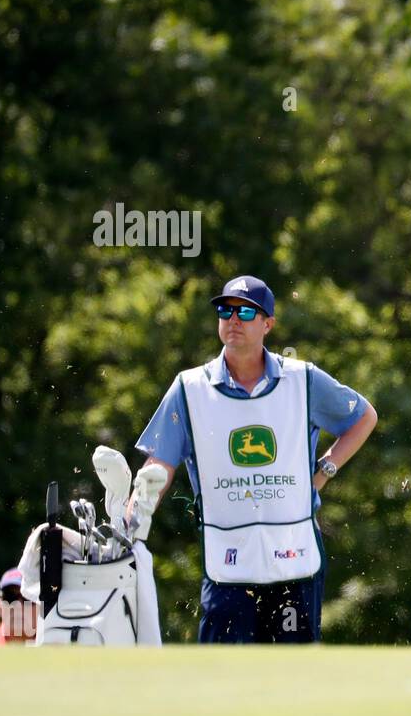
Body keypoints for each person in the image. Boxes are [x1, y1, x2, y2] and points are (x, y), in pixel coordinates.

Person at [133, 275, 378, 643]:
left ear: (268, 324)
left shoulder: (302, 379)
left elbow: (363, 417)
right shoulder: (189, 388)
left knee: (295, 680)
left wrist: (323, 472)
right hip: (228, 563)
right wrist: (133, 514)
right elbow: (160, 465)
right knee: (223, 677)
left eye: (246, 311)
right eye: (226, 310)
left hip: (294, 560)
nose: (234, 318)